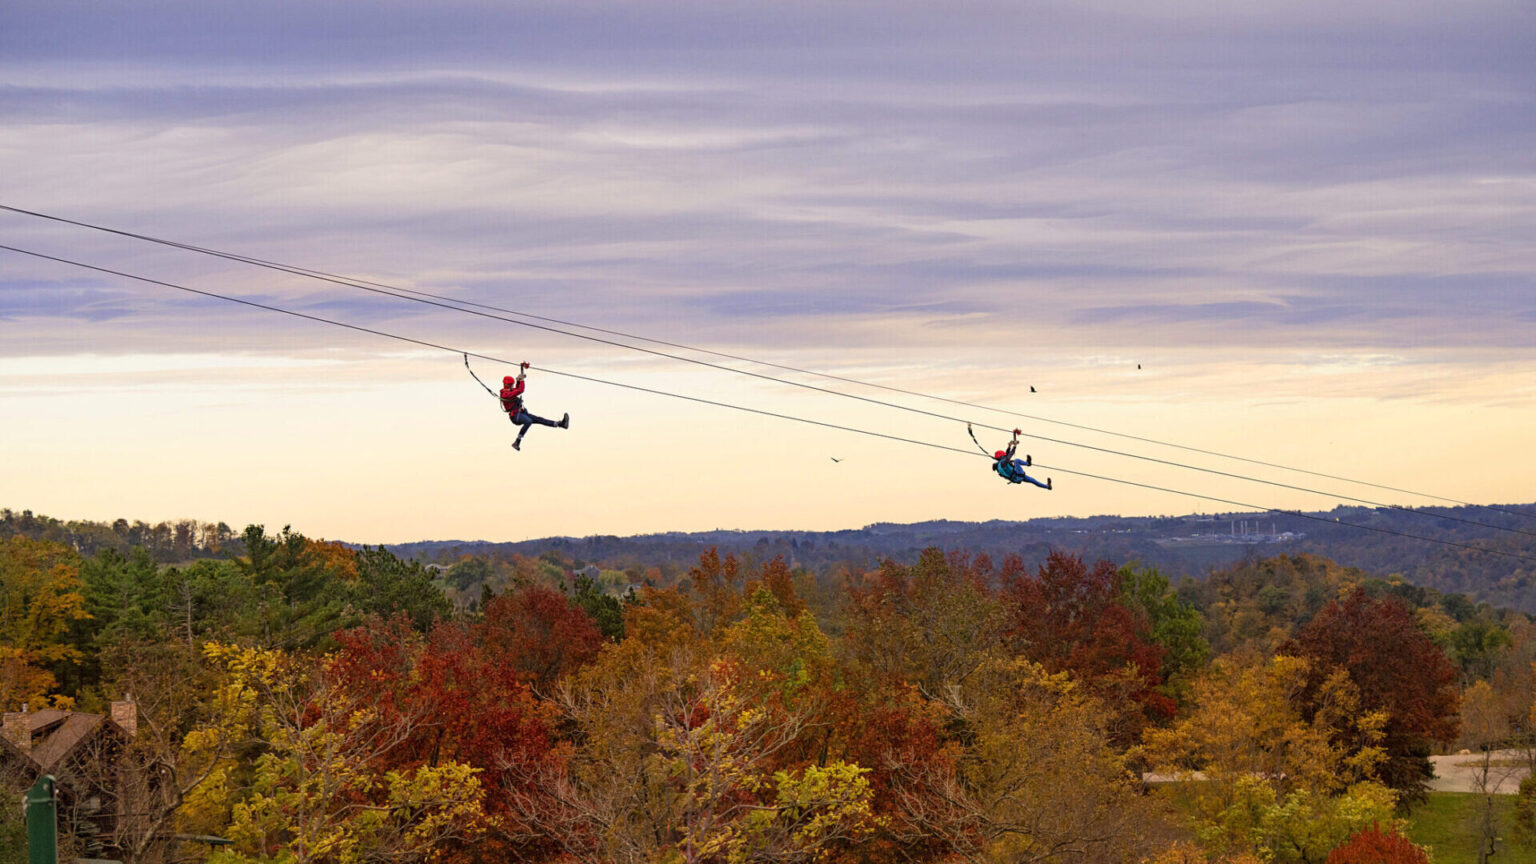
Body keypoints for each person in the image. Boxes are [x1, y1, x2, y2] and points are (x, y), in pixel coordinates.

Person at [498, 362, 569, 450]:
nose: (512, 386)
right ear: (507, 385)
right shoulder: (505, 394)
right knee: (529, 421)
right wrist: (521, 380)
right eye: (511, 384)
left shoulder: (509, 391)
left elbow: (517, 389)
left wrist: (519, 380)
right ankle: (517, 441)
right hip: (516, 416)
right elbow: (520, 390)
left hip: (521, 413)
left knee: (539, 419)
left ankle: (560, 424)